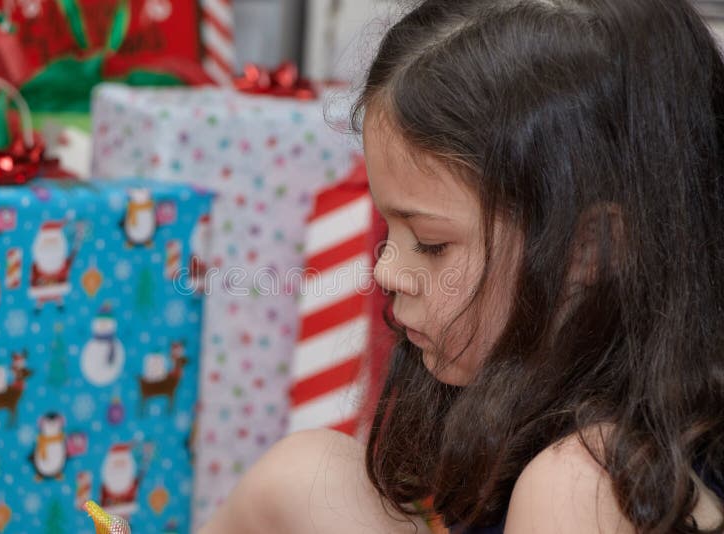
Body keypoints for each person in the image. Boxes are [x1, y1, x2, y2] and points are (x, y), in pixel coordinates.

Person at [198, 0, 724, 532]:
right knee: (299, 477)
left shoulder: (583, 487)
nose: (385, 272)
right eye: (388, 231)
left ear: (593, 249)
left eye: (430, 243)